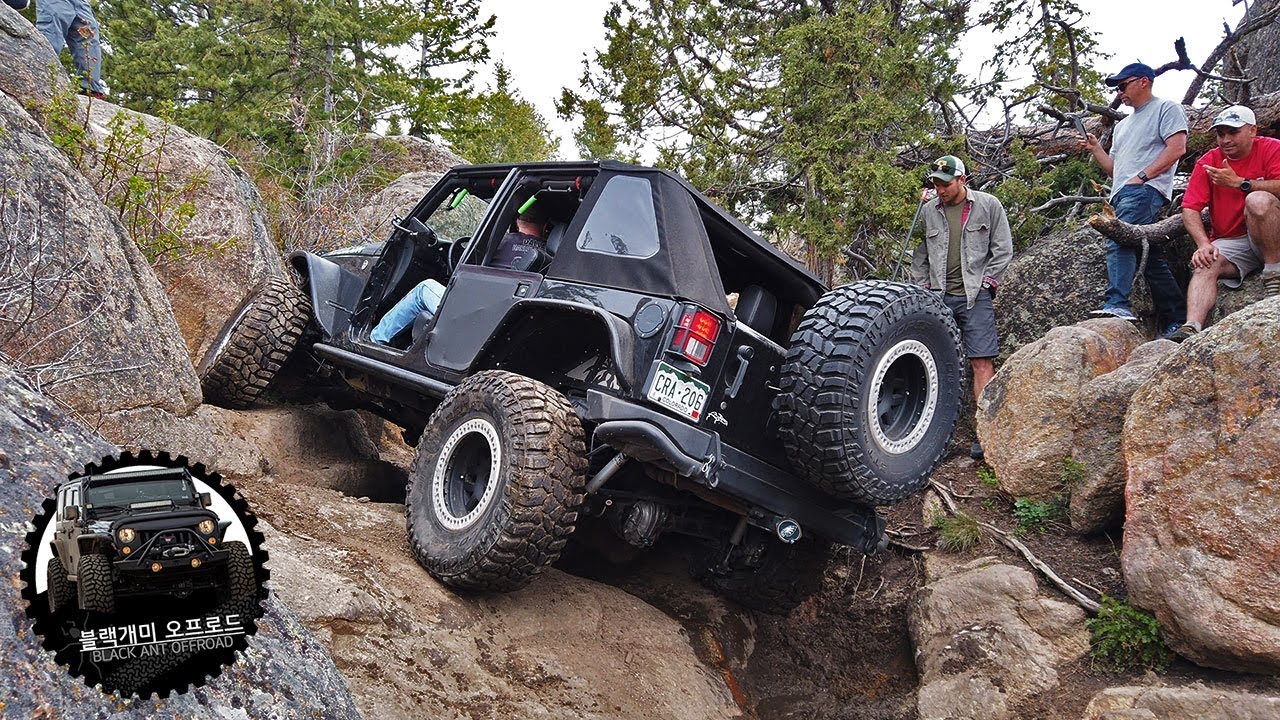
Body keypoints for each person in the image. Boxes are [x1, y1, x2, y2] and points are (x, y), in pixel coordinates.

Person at [910, 155, 1014, 460]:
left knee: (981, 363)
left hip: (974, 297)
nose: (939, 189)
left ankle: (985, 436)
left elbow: (1003, 248)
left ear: (962, 181)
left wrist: (988, 282)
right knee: (934, 365)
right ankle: (932, 438)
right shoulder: (929, 210)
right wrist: (921, 286)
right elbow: (920, 255)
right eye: (936, 183)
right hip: (937, 298)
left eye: (945, 183)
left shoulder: (988, 205)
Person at [1078, 62, 1187, 334]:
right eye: (1117, 88)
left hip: (1144, 190)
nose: (1120, 93)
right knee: (1148, 258)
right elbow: (1115, 169)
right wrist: (1095, 148)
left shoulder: (1166, 108)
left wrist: (1144, 176)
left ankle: (1117, 303)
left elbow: (1177, 148)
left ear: (1143, 81)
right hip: (1122, 192)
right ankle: (1177, 317)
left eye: (1123, 85)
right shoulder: (1123, 125)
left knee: (1119, 240)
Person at [1167, 105, 1280, 342]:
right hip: (1236, 241)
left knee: (1258, 201)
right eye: (1220, 134)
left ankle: (1274, 275)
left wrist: (1242, 183)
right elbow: (1190, 208)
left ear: (1252, 130)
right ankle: (1191, 328)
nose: (1225, 140)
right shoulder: (1209, 162)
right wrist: (1202, 243)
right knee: (1206, 263)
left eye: (1232, 132)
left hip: (1273, 231)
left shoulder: (1272, 148)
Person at [370, 204, 550, 345]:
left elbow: (466, 266)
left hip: (472, 313)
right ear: (545, 226)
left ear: (517, 220)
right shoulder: (549, 257)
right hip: (503, 322)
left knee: (424, 289)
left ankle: (375, 339)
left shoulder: (499, 242)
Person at [36, 0, 107, 98]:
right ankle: (39, 78)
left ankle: (89, 88)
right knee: (51, 34)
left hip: (81, 3)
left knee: (89, 38)